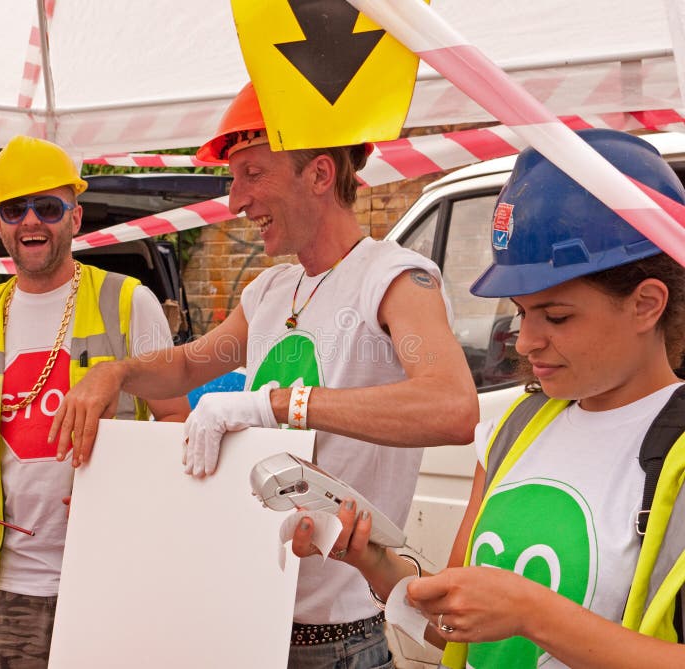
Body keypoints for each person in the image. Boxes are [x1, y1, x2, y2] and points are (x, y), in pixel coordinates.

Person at [49, 82, 479, 668]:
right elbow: (186, 364)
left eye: (252, 174)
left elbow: (452, 408)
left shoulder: (397, 278)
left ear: (320, 175)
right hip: (248, 617)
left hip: (337, 640)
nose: (235, 200)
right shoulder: (271, 288)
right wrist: (116, 372)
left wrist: (278, 406)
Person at [292, 129, 685, 667]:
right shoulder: (514, 431)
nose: (525, 342)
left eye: (557, 316)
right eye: (522, 313)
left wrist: (533, 615)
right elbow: (458, 632)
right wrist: (376, 563)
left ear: (646, 305)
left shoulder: (676, 452)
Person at [0, 135, 190, 669]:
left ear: (75, 218)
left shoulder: (128, 303)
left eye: (48, 207)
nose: (31, 221)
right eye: (14, 209)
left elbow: (176, 424)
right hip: (13, 585)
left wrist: (127, 490)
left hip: (115, 572)